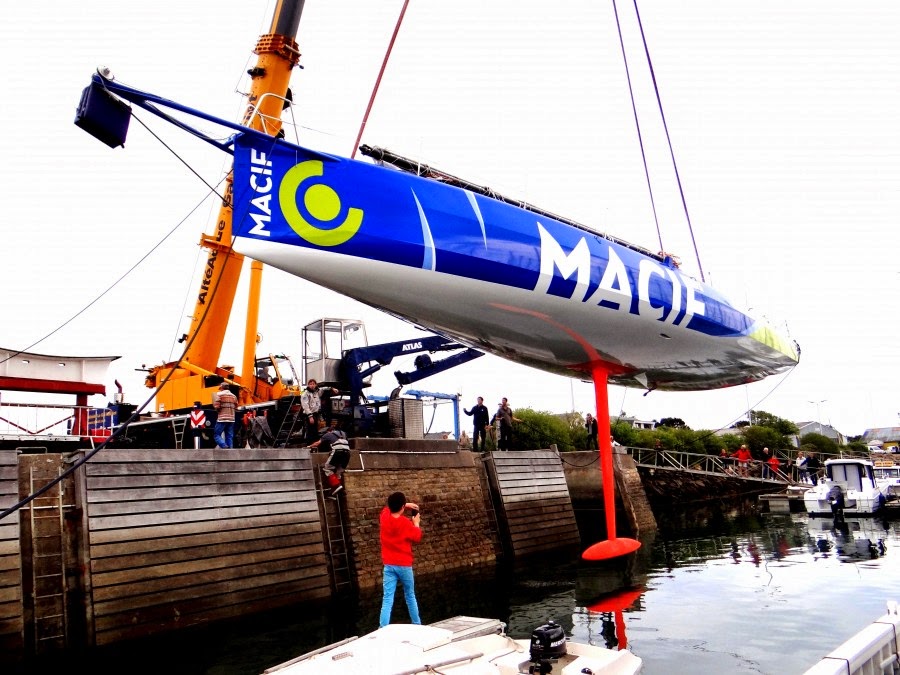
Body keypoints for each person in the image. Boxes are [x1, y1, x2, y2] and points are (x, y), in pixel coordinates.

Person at [379, 491, 422, 628]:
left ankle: (382, 627)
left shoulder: (384, 518)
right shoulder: (405, 523)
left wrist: (405, 505)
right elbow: (417, 537)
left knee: (387, 598)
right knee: (410, 595)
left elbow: (386, 509)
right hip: (404, 565)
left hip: (389, 565)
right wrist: (416, 523)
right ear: (402, 507)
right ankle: (417, 624)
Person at [311, 421, 351, 496]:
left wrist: (309, 446)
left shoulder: (328, 434)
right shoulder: (343, 433)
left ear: (329, 431)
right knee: (338, 472)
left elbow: (317, 443)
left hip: (338, 452)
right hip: (347, 453)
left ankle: (336, 486)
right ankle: (340, 491)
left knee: (327, 468)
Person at [301, 379, 338, 445]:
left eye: (313, 384)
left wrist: (332, 388)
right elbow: (305, 406)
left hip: (315, 414)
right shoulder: (305, 394)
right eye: (310, 384)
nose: (312, 385)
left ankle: (315, 445)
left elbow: (324, 389)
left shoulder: (317, 392)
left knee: (315, 431)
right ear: (308, 385)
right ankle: (309, 445)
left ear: (316, 385)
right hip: (309, 415)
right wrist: (310, 416)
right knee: (309, 431)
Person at [212, 383, 237, 449]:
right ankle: (230, 451)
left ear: (222, 388)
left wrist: (217, 409)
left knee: (216, 435)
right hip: (231, 419)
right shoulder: (234, 396)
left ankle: (224, 446)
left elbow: (217, 406)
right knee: (229, 436)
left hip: (222, 418)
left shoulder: (219, 395)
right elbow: (236, 406)